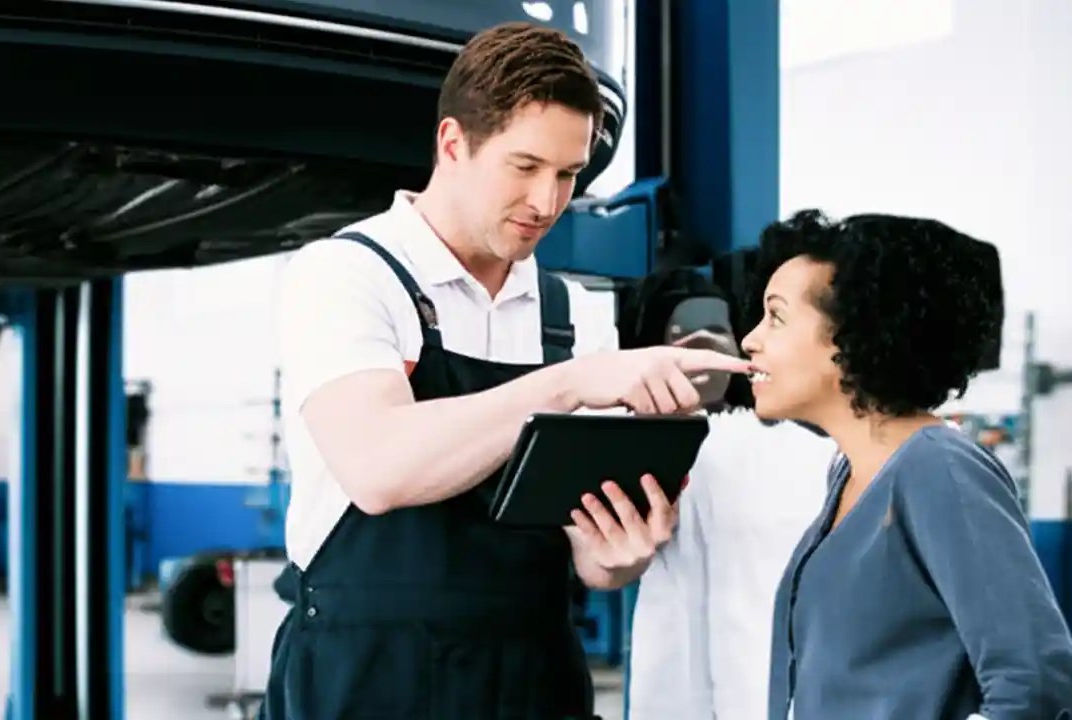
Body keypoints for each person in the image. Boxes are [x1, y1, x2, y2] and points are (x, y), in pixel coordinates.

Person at [260, 22, 752, 720]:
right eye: (524, 168)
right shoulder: (347, 275)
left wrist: (620, 554)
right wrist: (569, 385)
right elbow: (378, 468)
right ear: (453, 144)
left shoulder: (569, 313)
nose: (547, 202)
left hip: (533, 672)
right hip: (365, 675)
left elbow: (591, 557)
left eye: (567, 174)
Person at [741, 210, 1072, 719]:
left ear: (850, 337)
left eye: (776, 316)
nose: (751, 339)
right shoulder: (850, 472)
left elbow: (1037, 682)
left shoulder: (939, 470)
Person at [622, 267, 836, 720]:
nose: (706, 352)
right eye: (683, 335)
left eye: (718, 333)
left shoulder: (800, 453)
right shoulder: (634, 444)